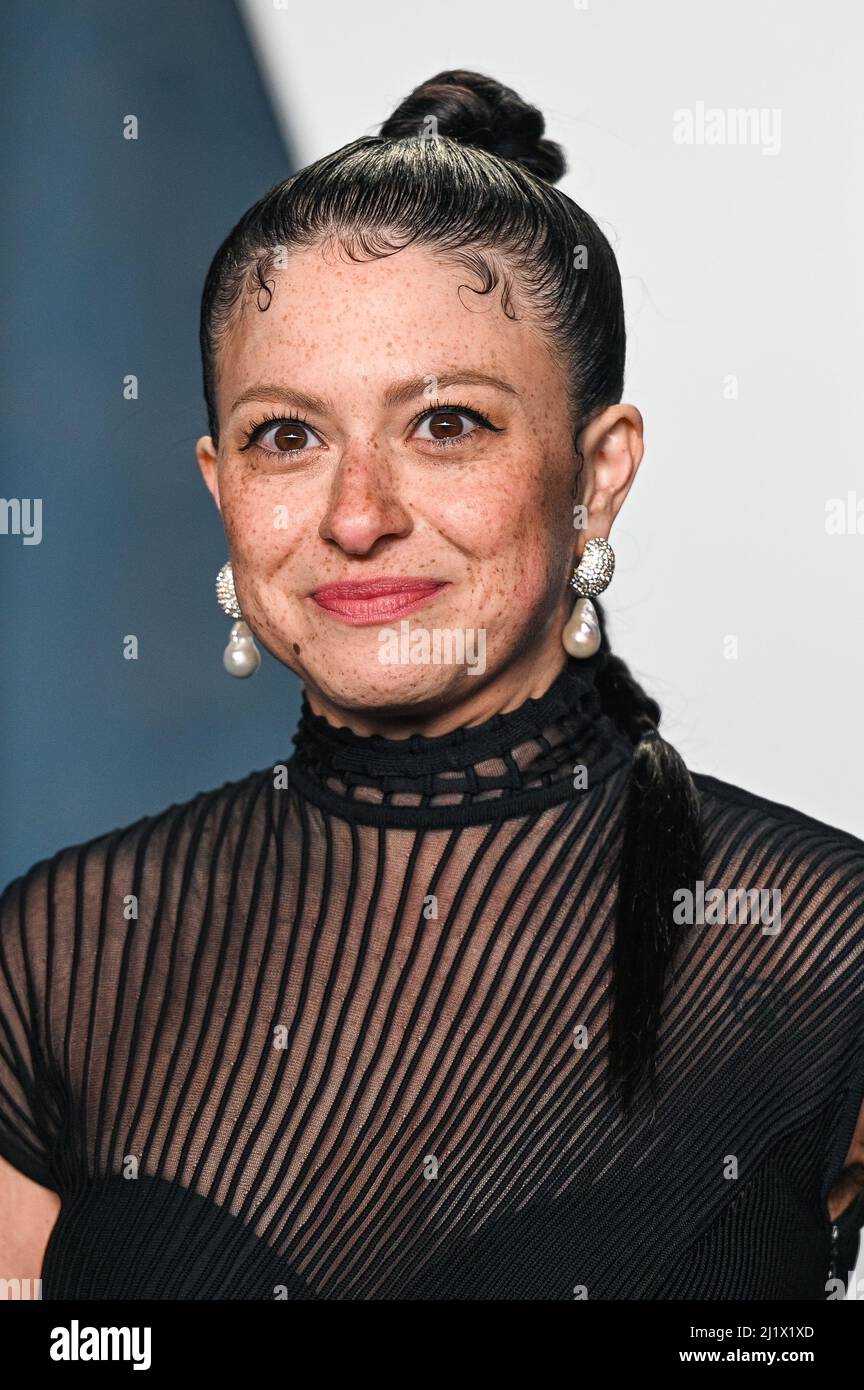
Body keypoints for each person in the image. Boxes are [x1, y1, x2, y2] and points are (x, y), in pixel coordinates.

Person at [1, 69, 862, 1300]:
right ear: (217, 485)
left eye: (447, 423)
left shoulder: (820, 947)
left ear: (599, 472)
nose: (357, 516)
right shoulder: (58, 955)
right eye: (286, 435)